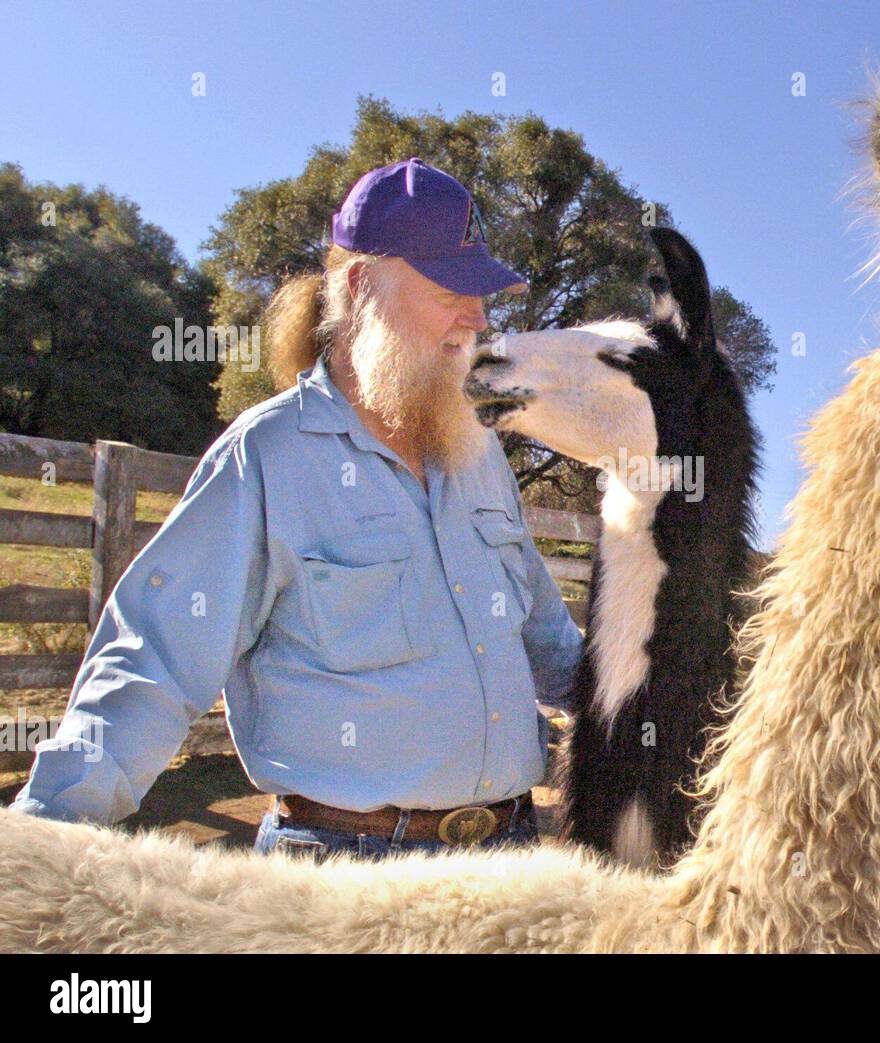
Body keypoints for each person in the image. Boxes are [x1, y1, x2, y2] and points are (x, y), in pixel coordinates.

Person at [10, 159, 585, 860]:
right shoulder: (267, 456)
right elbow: (153, 659)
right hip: (340, 875)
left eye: (482, 293)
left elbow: (549, 641)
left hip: (513, 861)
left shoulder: (479, 454)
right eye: (449, 289)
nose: (478, 316)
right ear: (361, 286)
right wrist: (37, 849)